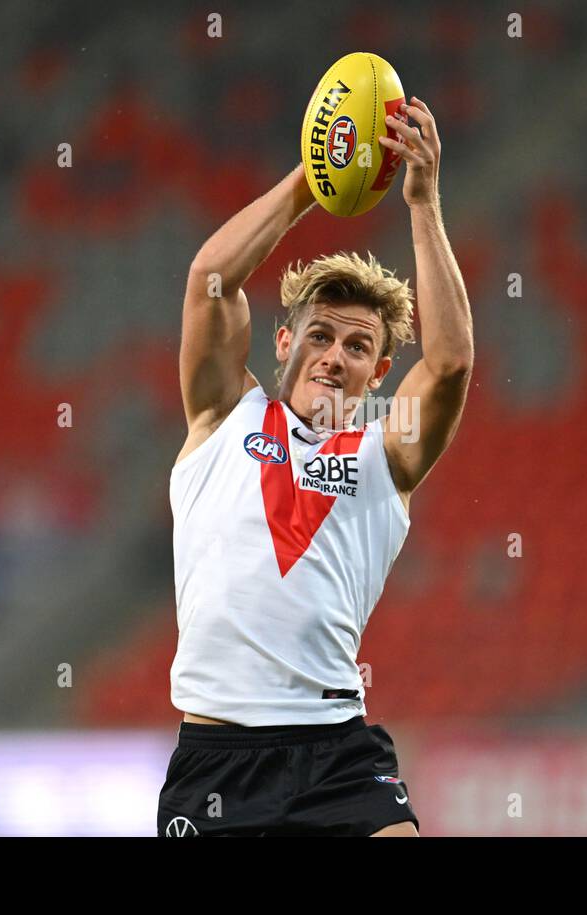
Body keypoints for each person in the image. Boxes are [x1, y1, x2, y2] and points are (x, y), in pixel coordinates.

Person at [158, 98, 473, 836]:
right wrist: (315, 179)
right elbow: (210, 278)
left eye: (358, 346)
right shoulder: (221, 418)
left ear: (381, 369)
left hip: (336, 751)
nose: (334, 356)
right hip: (217, 761)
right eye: (319, 334)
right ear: (280, 342)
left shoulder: (384, 451)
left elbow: (452, 360)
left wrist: (423, 205)